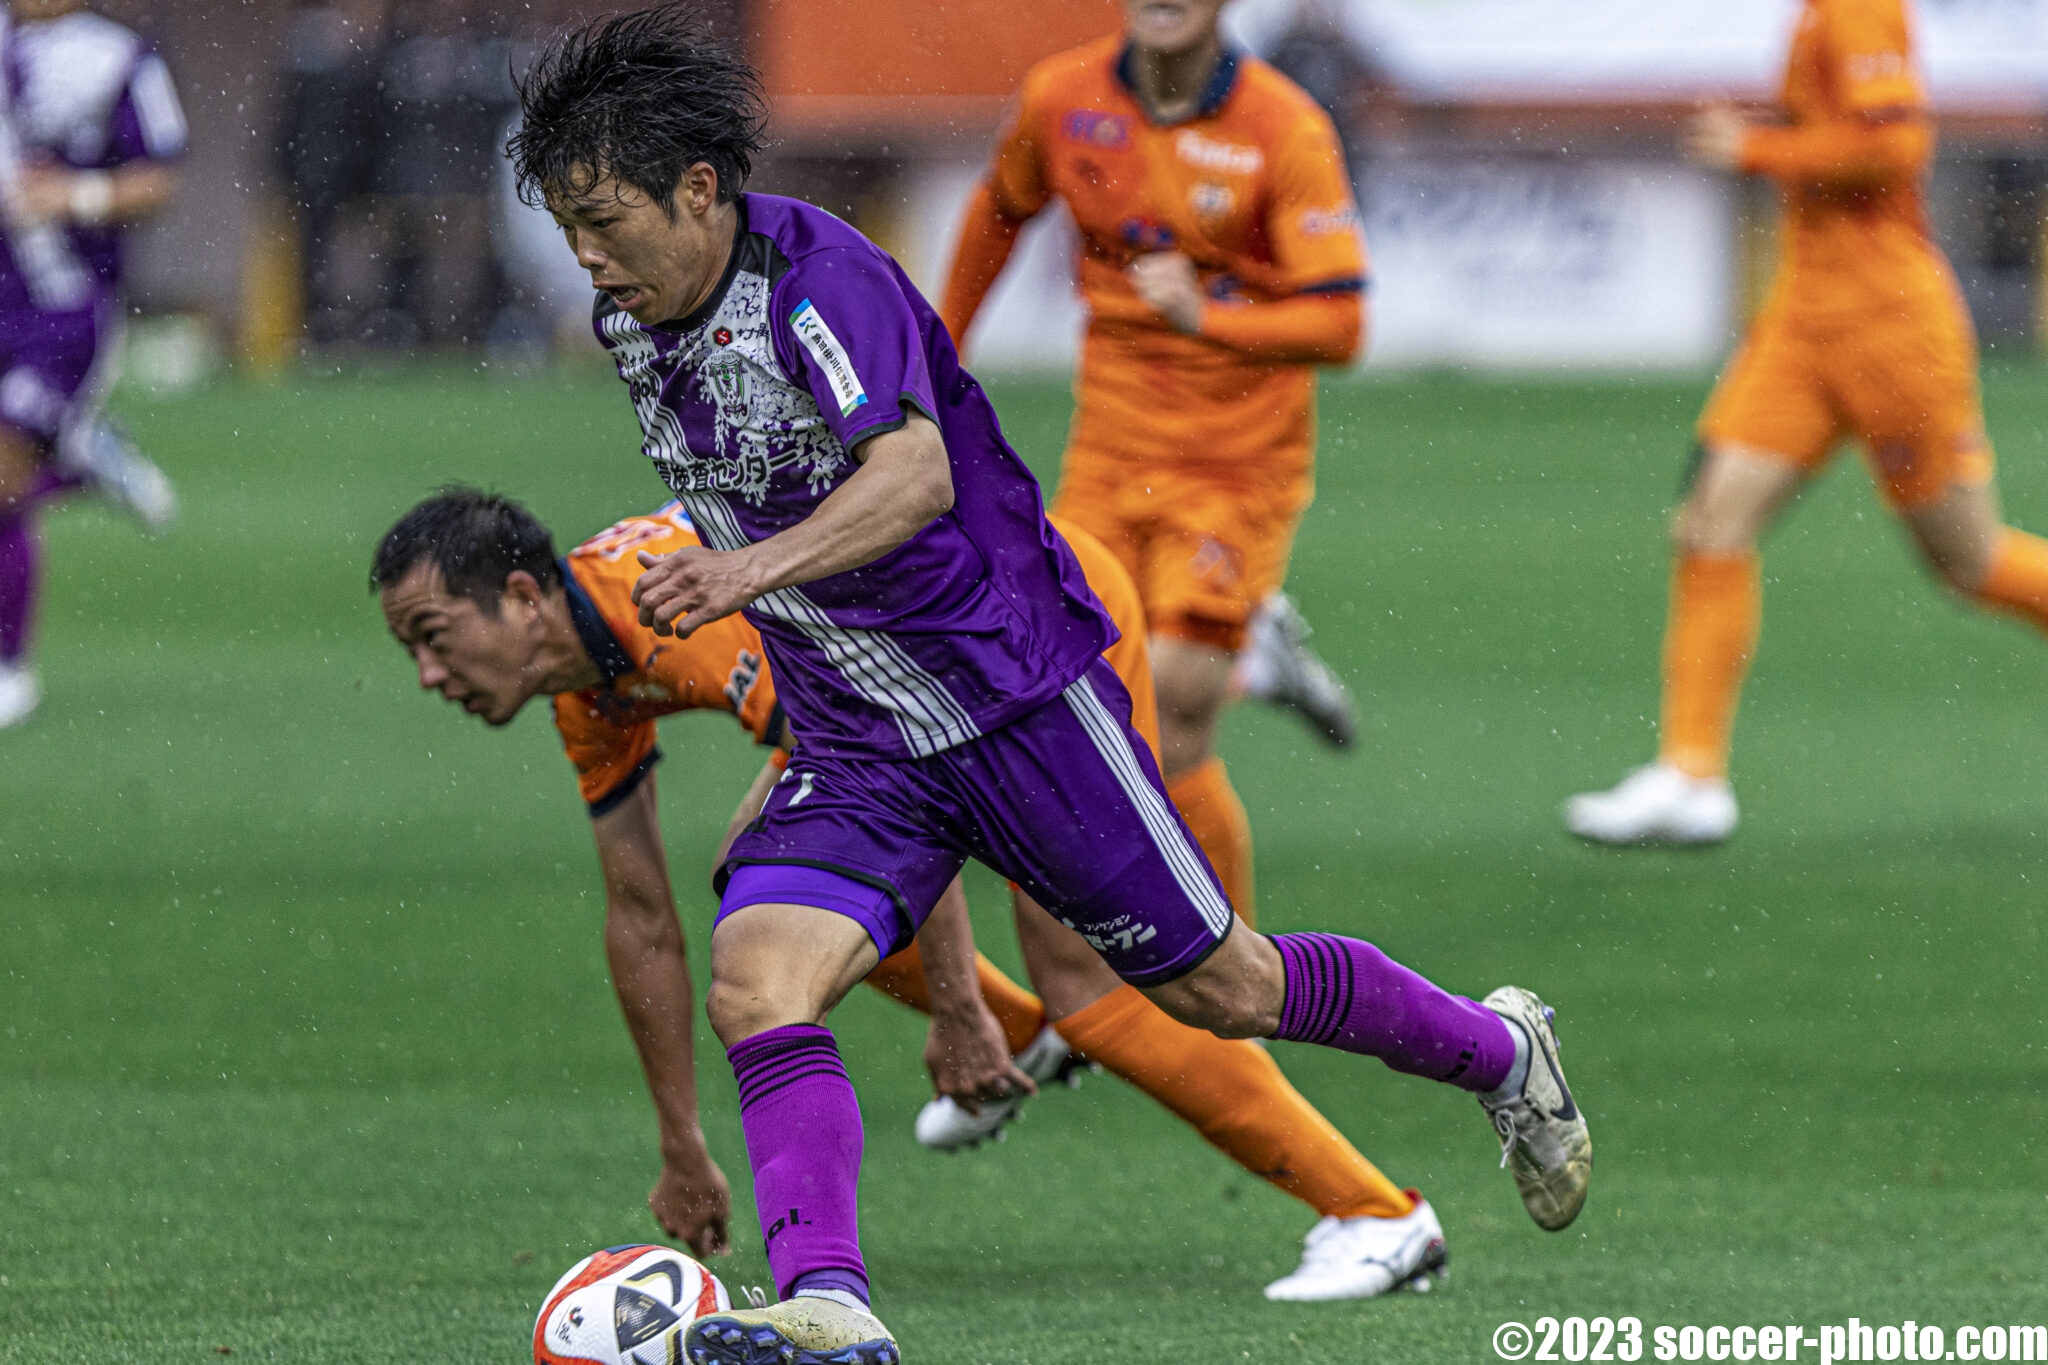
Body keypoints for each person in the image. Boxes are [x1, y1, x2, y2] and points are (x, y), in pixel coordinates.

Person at [510, 9, 1589, 1359]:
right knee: (757, 978)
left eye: (604, 220)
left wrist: (740, 578)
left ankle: (1500, 1053)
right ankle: (831, 1304)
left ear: (700, 190)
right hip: (861, 740)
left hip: (1016, 701)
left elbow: (915, 479)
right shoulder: (637, 322)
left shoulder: (814, 281)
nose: (587, 258)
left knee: (1225, 990)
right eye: (568, 228)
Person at [373, 489, 1452, 1301]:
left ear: (521, 599)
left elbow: (889, 782)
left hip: (1039, 617)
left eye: (433, 636)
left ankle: (1375, 1212)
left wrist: (954, 1008)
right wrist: (680, 1142)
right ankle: (1033, 1038)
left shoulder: (677, 614)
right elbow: (641, 921)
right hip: (941, 676)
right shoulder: (587, 685)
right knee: (765, 884)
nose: (428, 675)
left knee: (1106, 980)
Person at [1565, 0, 2048, 845]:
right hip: (1806, 317)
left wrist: (1755, 147)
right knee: (1711, 523)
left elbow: (1895, 147)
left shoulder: (1860, 8)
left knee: (1969, 563)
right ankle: (1690, 774)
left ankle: (1689, 773)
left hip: (1887, 323)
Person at [939, 0, 1370, 930]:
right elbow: (999, 208)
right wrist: (940, 354)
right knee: (1065, 700)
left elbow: (1341, 325)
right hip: (1112, 451)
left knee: (1171, 720)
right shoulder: (1065, 98)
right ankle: (1096, 989)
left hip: (1235, 468)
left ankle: (1237, 989)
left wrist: (1206, 318)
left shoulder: (1282, 128)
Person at [0, 0, 183, 728]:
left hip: (63, 309)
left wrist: (75, 195)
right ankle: (80, 457)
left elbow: (161, 173)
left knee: (3, 481)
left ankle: (9, 669)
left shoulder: (118, 59)